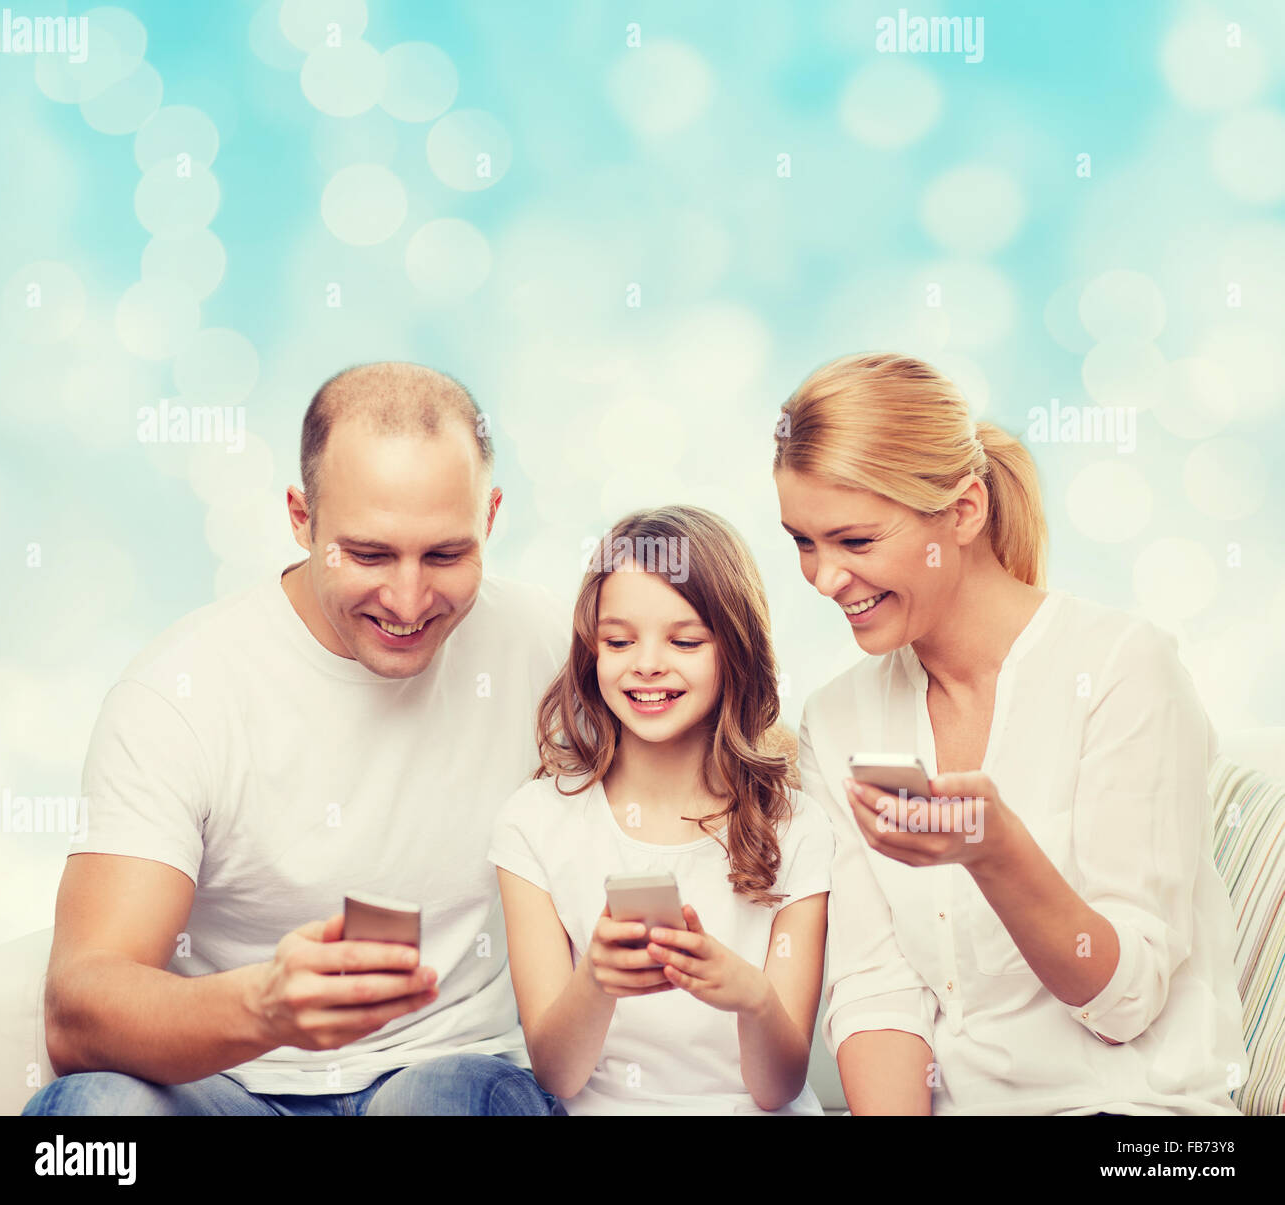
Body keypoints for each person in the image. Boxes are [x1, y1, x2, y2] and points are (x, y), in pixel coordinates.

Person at [23, 362, 570, 1116]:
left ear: (491, 517)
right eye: (370, 555)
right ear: (301, 517)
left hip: (443, 1074)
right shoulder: (178, 693)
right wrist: (265, 1009)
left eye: (446, 554)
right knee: (91, 1112)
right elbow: (78, 1009)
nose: (409, 601)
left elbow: (715, 749)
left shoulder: (551, 648)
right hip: (227, 1087)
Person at [773, 351, 1248, 1116]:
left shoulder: (1124, 668)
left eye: (854, 541)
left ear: (963, 512)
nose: (824, 578)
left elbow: (1126, 1001)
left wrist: (994, 853)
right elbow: (876, 992)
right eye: (802, 541)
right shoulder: (838, 719)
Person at [489, 505, 834, 1114]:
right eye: (619, 641)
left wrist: (751, 997)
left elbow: (777, 1088)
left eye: (685, 640)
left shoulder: (797, 826)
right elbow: (557, 1075)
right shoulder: (535, 822)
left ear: (735, 650)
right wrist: (596, 978)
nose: (646, 663)